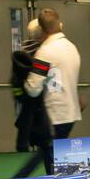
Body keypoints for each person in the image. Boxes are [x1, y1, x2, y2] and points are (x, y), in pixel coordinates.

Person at [27, 8, 82, 140]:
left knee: (50, 154)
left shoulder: (45, 51)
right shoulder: (71, 47)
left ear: (40, 29)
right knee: (52, 152)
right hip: (70, 112)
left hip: (54, 114)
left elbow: (33, 89)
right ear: (59, 24)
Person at [12, 19, 54, 177]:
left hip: (30, 108)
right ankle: (21, 177)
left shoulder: (23, 52)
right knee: (47, 146)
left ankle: (48, 175)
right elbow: (38, 84)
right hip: (41, 107)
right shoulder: (43, 53)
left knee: (46, 146)